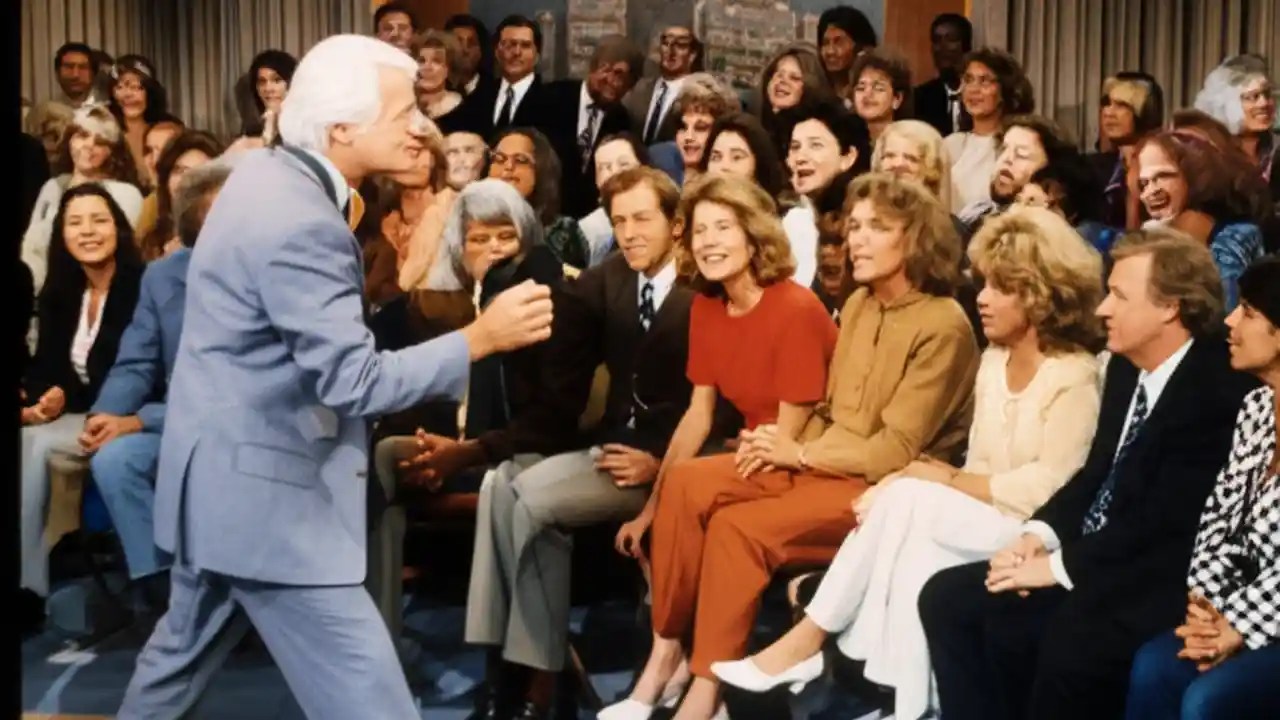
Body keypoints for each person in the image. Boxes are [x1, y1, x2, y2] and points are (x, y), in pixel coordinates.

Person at [115, 35, 554, 719]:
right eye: (404, 112)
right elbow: (354, 381)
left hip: (222, 490)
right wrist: (480, 338)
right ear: (341, 128)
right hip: (271, 507)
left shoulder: (261, 175)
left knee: (170, 675)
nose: (422, 127)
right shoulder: (300, 218)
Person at [610, 173, 980, 720]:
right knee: (687, 482)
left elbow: (893, 452)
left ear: (916, 238)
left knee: (739, 528)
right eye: (853, 226)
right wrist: (779, 443)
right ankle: (670, 657)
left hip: (883, 489)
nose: (855, 239)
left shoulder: (943, 324)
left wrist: (797, 452)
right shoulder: (859, 304)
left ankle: (706, 692)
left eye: (876, 228)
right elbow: (828, 411)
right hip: (823, 461)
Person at [713, 207, 1105, 720]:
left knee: (911, 499)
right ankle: (911, 708)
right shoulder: (994, 361)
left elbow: (1052, 486)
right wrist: (913, 481)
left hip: (1033, 534)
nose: (981, 298)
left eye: (1000, 288)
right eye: (983, 283)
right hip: (983, 517)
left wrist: (940, 479)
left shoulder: (1074, 375)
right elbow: (976, 465)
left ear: (1038, 295)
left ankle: (808, 640)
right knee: (917, 548)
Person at [919, 228, 1258, 720]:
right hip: (1102, 553)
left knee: (1047, 633)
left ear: (1170, 307)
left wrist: (1058, 569)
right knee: (946, 597)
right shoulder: (1125, 366)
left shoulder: (1215, 390)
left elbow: (1161, 525)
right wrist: (1037, 536)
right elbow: (1096, 471)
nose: (1102, 309)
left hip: (1157, 573)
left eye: (1119, 295)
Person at [1125, 256, 1280, 720]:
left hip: (1266, 617)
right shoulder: (1256, 408)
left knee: (1207, 700)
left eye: (1248, 311)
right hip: (1237, 609)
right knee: (1153, 666)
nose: (1230, 321)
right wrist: (1206, 607)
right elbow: (1218, 519)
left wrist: (1240, 625)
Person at [82, 159, 236, 622]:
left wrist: (138, 420)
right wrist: (104, 416)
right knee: (114, 459)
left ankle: (215, 597)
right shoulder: (163, 276)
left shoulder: (267, 275)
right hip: (179, 422)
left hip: (243, 421)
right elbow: (136, 361)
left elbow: (235, 389)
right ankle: (166, 590)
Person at [20, 185, 144, 628]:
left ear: (118, 228)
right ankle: (31, 586)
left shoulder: (141, 286)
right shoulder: (61, 292)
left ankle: (31, 588)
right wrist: (50, 396)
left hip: (130, 416)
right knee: (29, 441)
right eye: (75, 223)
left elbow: (141, 371)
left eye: (99, 220)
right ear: (62, 235)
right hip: (78, 416)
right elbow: (48, 369)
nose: (87, 231)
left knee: (34, 446)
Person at [914, 14, 973, 137]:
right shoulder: (921, 97)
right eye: (936, 40)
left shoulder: (979, 94)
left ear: (966, 46)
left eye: (950, 39)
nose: (941, 47)